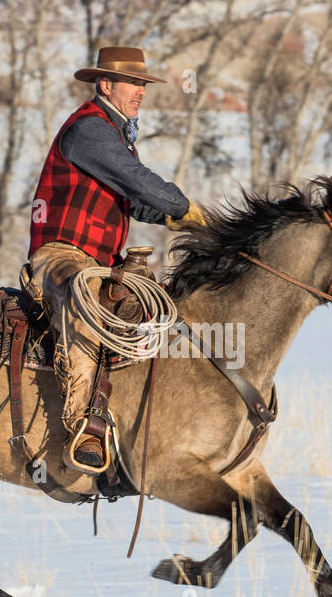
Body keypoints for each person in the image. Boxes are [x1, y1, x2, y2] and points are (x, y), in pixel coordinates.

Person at [27, 46, 207, 473]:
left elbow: (136, 202)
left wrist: (175, 216)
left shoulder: (114, 135)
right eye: (133, 83)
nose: (140, 92)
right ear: (105, 84)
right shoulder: (89, 130)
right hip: (61, 255)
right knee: (86, 300)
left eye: (143, 84)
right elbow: (139, 182)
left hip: (99, 259)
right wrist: (180, 206)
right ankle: (82, 429)